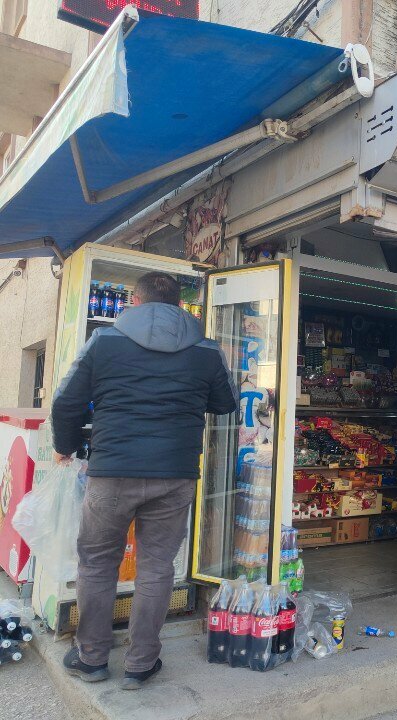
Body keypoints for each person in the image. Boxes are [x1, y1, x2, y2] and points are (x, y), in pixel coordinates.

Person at [51, 272, 237, 689]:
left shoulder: (104, 342)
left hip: (112, 471)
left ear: (133, 301)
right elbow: (225, 403)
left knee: (97, 563)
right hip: (175, 474)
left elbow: (66, 402)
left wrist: (65, 447)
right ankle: (140, 663)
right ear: (179, 305)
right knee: (156, 566)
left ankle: (92, 658)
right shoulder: (207, 350)